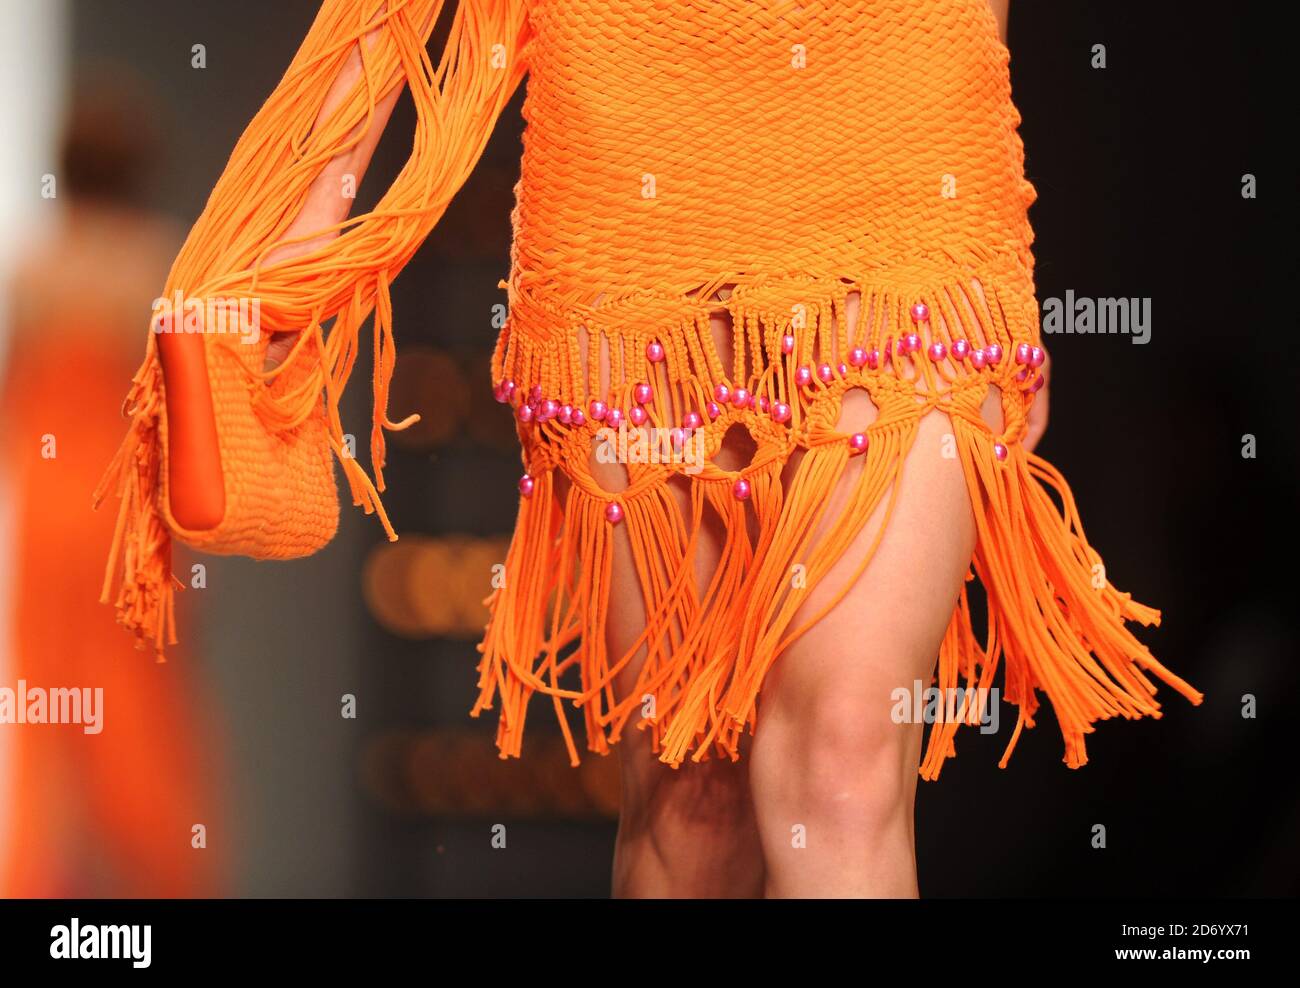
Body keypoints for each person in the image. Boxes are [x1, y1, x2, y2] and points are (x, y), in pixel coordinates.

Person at [99, 0, 1201, 897]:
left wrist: (1001, 244)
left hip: (904, 156)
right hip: (633, 173)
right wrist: (293, 229)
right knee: (692, 795)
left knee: (850, 753)